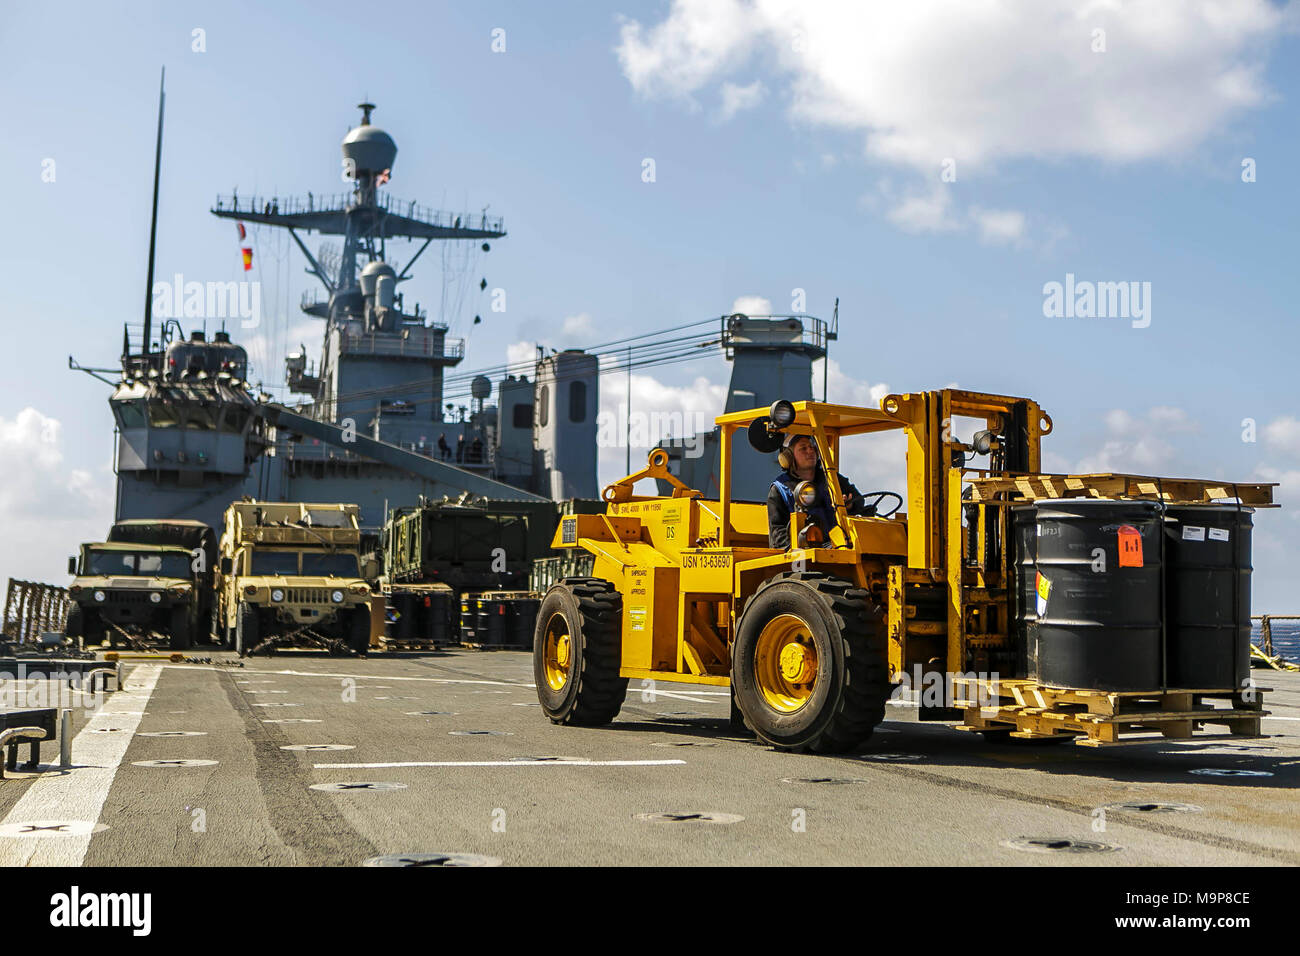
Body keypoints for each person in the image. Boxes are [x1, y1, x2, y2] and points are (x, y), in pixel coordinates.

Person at [767, 433, 872, 550]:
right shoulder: (779, 489)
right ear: (788, 457)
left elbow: (859, 501)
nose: (810, 451)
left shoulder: (833, 479)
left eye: (812, 447)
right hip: (805, 555)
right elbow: (778, 535)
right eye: (803, 448)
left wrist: (850, 505)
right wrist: (799, 550)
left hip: (839, 545)